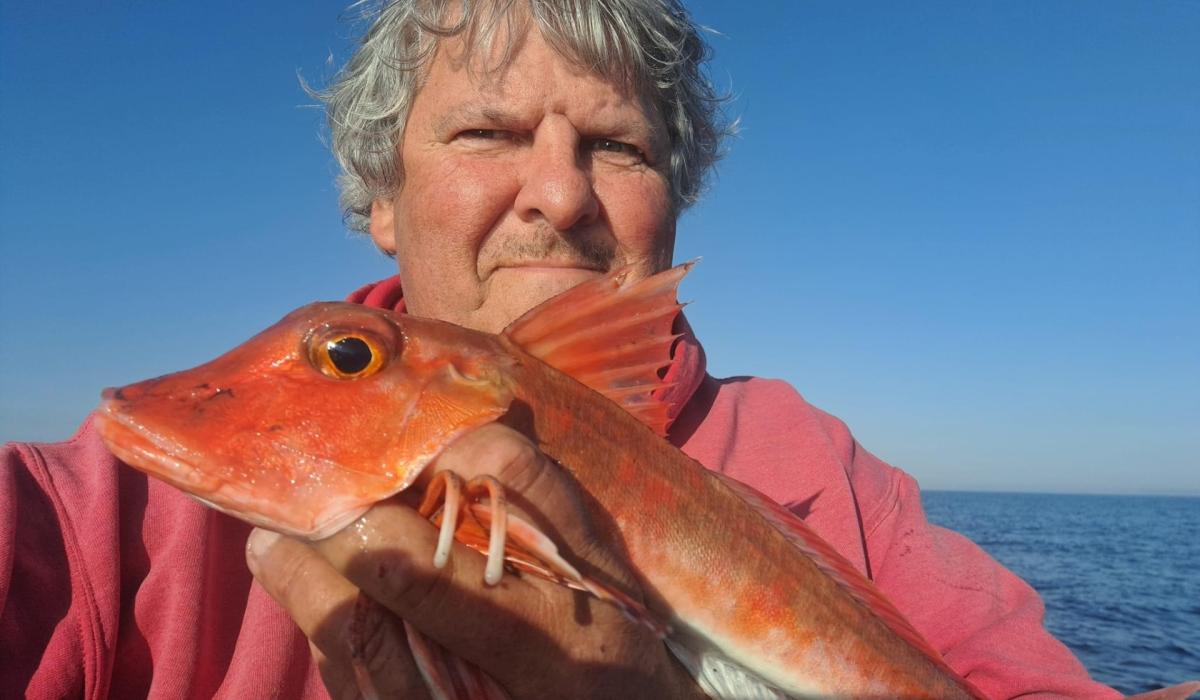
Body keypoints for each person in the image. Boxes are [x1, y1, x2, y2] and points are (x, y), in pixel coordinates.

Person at [1, 1, 1121, 698]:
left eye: (618, 147)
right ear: (381, 198)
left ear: (672, 201)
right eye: (487, 130)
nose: (558, 193)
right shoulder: (109, 522)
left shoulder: (828, 475)